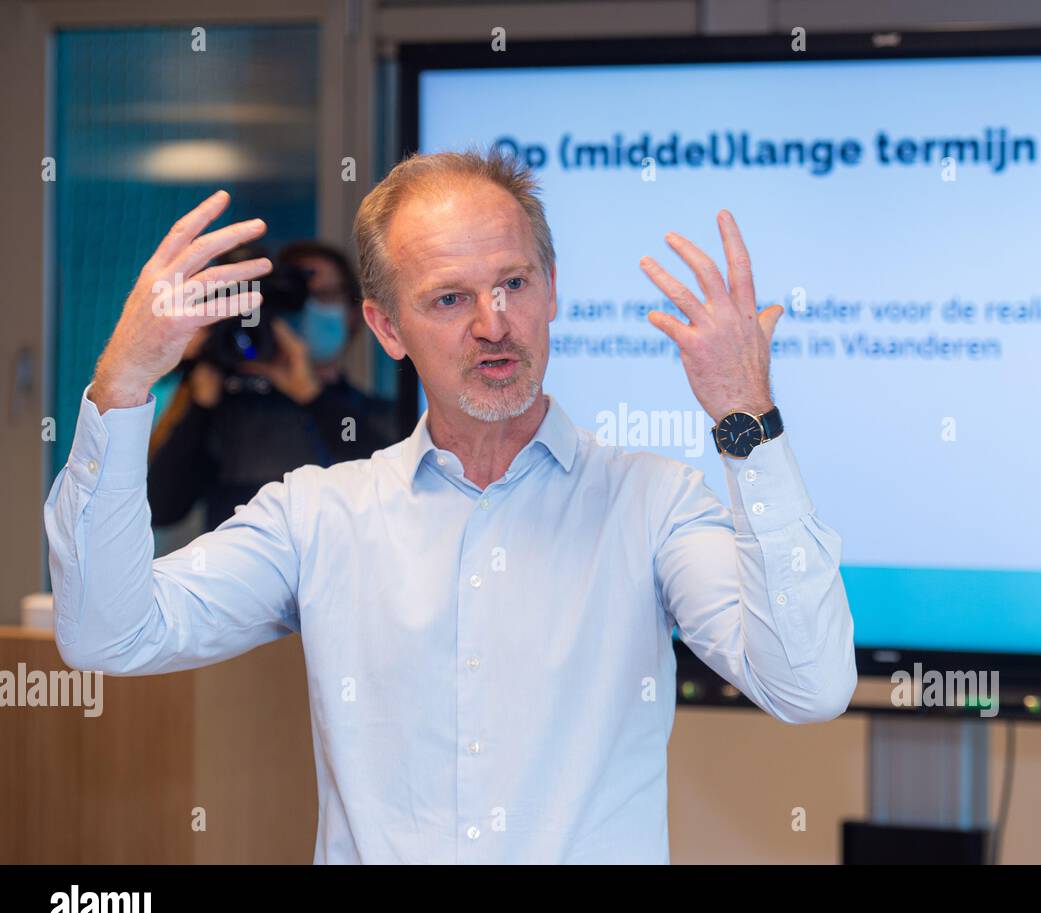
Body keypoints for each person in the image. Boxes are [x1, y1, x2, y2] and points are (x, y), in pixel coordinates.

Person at [43, 148, 857, 864]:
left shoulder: (651, 503)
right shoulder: (320, 515)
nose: (494, 325)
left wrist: (747, 419)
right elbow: (108, 633)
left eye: (513, 283)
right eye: (448, 299)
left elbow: (809, 684)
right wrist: (122, 383)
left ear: (552, 291)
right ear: (386, 327)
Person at [147, 241, 398, 532]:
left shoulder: (371, 416)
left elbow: (389, 489)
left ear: (354, 314)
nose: (311, 309)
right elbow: (163, 509)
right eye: (301, 300)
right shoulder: (228, 411)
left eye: (326, 295)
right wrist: (202, 402)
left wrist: (312, 396)